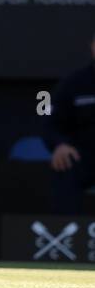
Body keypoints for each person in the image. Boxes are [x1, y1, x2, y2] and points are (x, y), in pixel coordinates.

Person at [44, 34, 95, 214]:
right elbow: (50, 122)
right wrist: (59, 145)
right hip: (83, 155)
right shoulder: (72, 83)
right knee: (66, 166)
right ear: (92, 46)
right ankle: (65, 229)